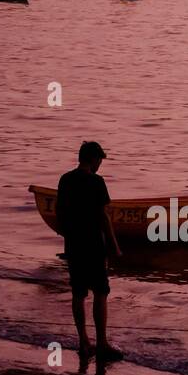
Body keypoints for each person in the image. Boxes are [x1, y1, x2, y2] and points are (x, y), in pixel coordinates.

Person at [55, 141, 124, 361]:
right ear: (93, 159)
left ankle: (83, 341)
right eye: (100, 160)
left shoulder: (65, 180)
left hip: (74, 245)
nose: (100, 164)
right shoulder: (96, 182)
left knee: (78, 293)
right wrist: (114, 246)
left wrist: (68, 237)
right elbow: (104, 217)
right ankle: (101, 343)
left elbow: (60, 214)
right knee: (101, 293)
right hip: (94, 245)